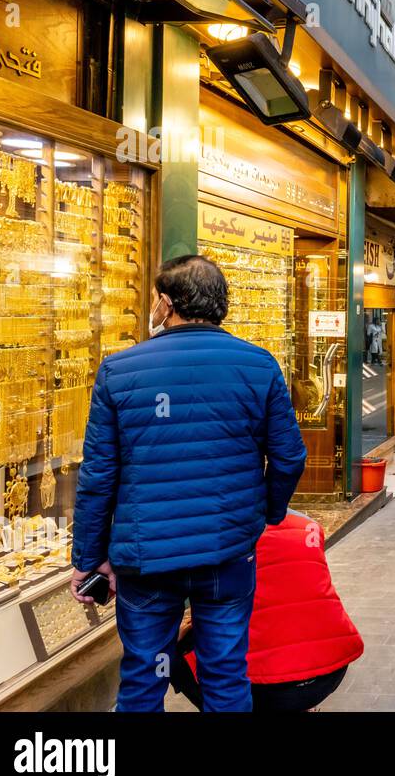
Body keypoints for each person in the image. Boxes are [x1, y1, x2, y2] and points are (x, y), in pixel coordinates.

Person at [72, 255, 308, 712]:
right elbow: (289, 457)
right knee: (225, 673)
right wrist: (266, 513)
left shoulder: (120, 371)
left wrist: (88, 558)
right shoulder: (258, 366)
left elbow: (98, 476)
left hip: (146, 557)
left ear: (166, 303)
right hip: (227, 552)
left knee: (143, 677)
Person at [170, 511, 364, 712]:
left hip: (265, 689)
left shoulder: (217, 535)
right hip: (331, 673)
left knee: (169, 649)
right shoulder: (309, 525)